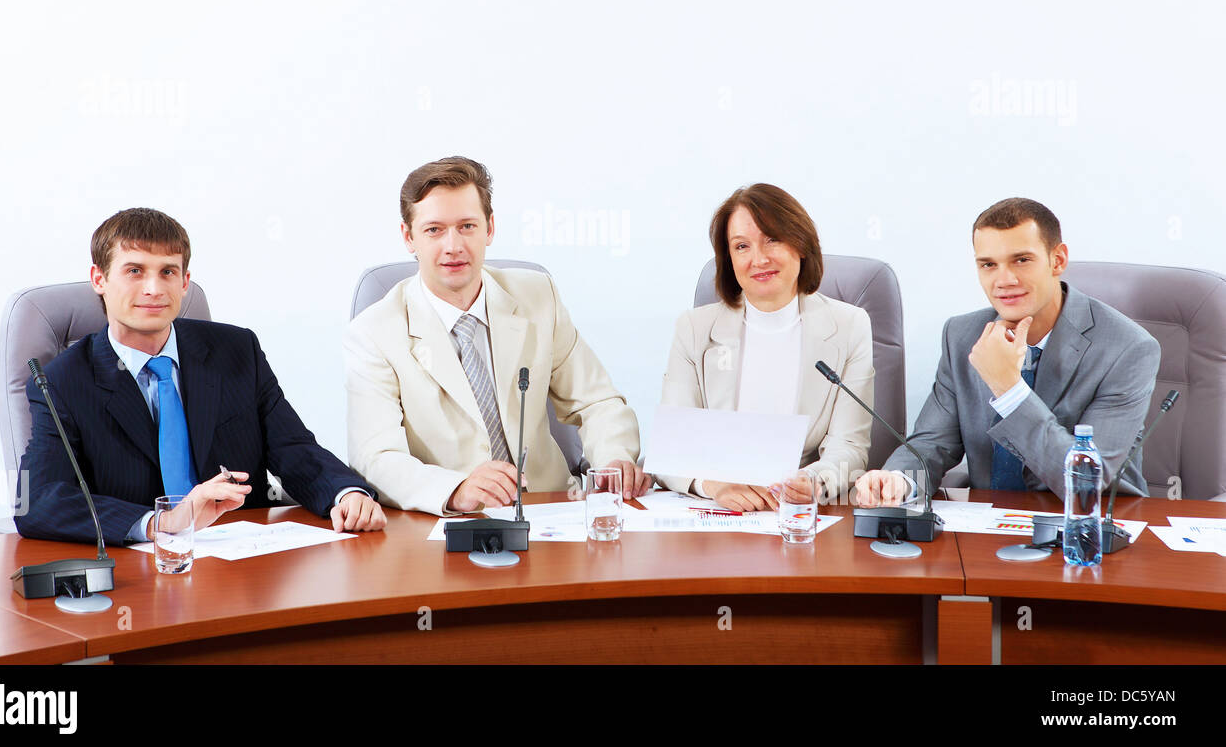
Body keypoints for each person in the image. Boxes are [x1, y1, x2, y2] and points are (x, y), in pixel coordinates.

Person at [15, 208, 385, 545]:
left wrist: (347, 493)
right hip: (138, 567)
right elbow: (38, 502)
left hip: (243, 559)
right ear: (99, 278)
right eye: (134, 271)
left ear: (185, 282)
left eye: (167, 272)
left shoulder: (237, 351)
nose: (154, 289)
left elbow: (294, 448)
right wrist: (162, 521)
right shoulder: (61, 382)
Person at [345, 156, 649, 515]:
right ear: (408, 237)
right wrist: (456, 490)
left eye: (467, 226)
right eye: (434, 230)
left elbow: (596, 401)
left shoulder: (538, 296)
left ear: (489, 228)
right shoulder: (374, 332)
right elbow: (376, 458)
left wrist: (613, 459)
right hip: (452, 522)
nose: (453, 245)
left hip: (551, 511)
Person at [855, 198, 1159, 506]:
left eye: (1021, 260)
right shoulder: (961, 335)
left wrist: (1009, 389)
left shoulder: (1128, 348)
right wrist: (899, 480)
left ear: (1058, 260)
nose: (1004, 280)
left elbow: (1084, 483)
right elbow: (932, 443)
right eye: (988, 264)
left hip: (1090, 528)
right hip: (988, 529)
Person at [658, 184, 874, 509]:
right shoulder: (694, 329)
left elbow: (850, 446)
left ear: (801, 244)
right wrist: (714, 486)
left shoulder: (849, 326)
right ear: (729, 259)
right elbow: (673, 447)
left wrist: (811, 483)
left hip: (800, 515)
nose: (759, 259)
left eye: (772, 239)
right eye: (742, 246)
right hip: (719, 514)